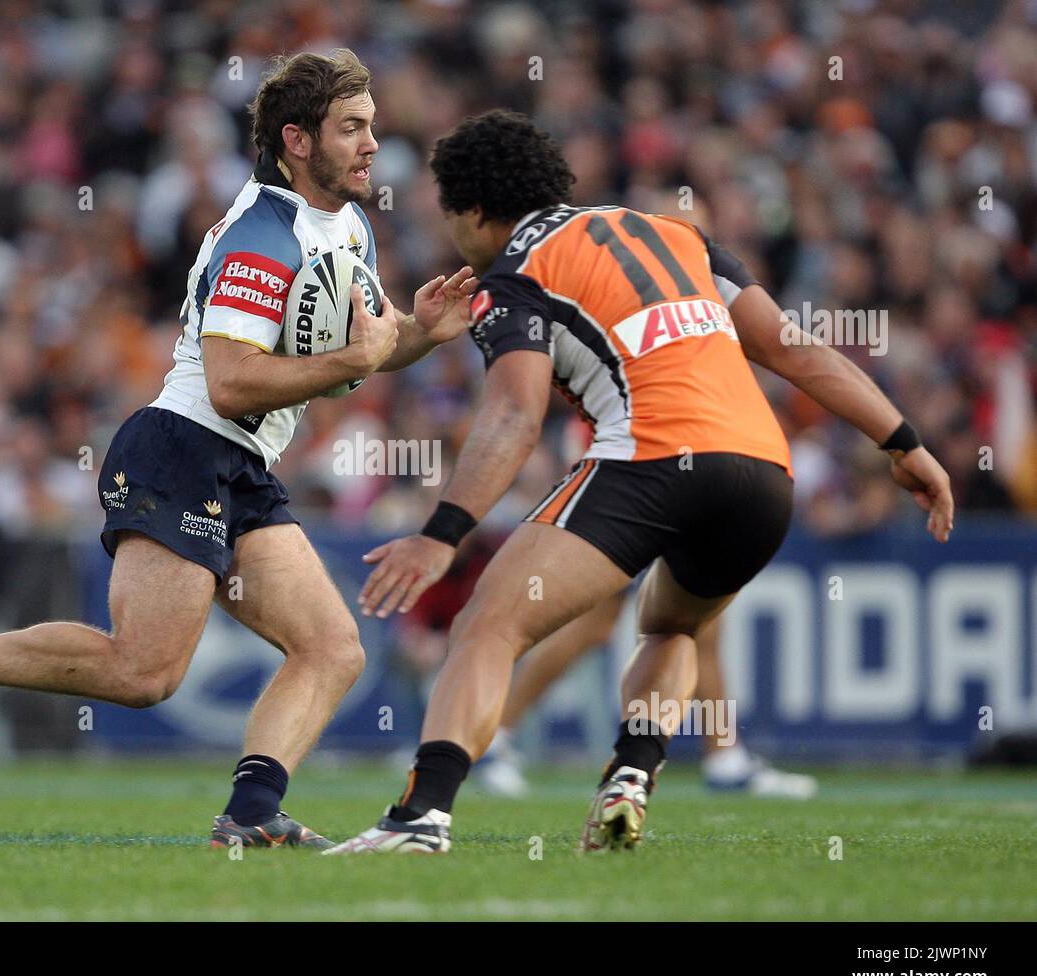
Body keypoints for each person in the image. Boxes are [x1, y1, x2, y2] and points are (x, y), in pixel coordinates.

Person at [0, 50, 477, 850]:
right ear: (297, 141)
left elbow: (363, 349)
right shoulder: (260, 237)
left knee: (331, 646)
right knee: (144, 673)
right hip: (184, 447)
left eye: (372, 124)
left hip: (242, 466)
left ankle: (248, 816)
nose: (374, 142)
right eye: (353, 128)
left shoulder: (349, 226)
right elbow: (237, 382)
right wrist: (366, 358)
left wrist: (419, 336)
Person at [328, 110, 952, 854]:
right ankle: (631, 771)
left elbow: (512, 417)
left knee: (488, 624)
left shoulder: (515, 272)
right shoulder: (675, 234)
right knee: (673, 625)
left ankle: (419, 818)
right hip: (761, 474)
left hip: (649, 459)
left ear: (473, 211)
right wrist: (903, 440)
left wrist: (443, 535)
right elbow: (795, 349)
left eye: (450, 216)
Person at [479, 603, 818, 799]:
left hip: (660, 491)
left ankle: (724, 756)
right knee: (597, 625)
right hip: (654, 491)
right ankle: (494, 735)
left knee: (702, 624)